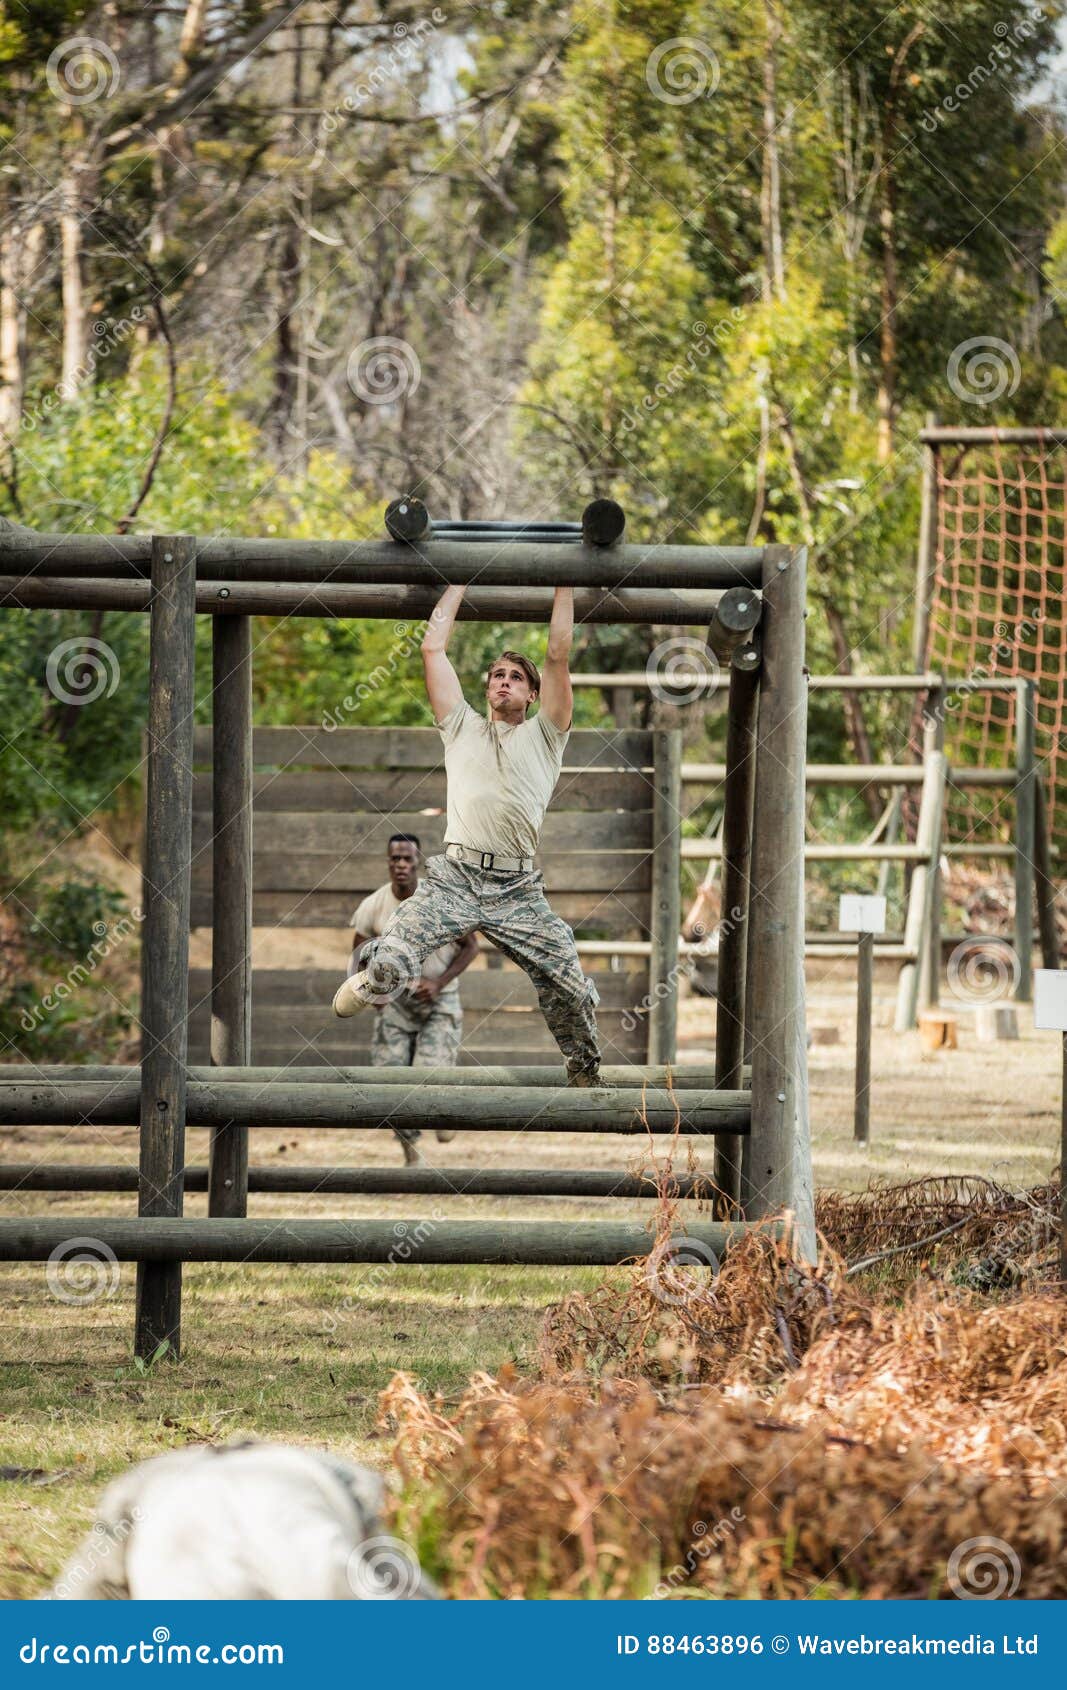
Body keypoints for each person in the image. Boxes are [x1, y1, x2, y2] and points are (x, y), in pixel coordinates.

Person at [334, 585, 603, 1086]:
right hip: (454, 877)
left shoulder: (548, 734)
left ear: (533, 693)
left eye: (516, 678)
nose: (505, 682)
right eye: (498, 675)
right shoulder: (461, 726)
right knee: (393, 957)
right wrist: (457, 580)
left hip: (516, 890)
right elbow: (432, 648)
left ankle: (585, 1069)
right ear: (486, 688)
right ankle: (373, 978)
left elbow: (558, 652)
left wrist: (564, 581)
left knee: (567, 981)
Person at [349, 833, 478, 1165]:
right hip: (396, 1002)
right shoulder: (374, 906)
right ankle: (412, 1154)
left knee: (427, 1078)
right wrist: (371, 992)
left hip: (439, 1000)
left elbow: (471, 946)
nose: (401, 865)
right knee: (390, 1081)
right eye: (395, 859)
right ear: (388, 862)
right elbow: (360, 953)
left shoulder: (437, 901)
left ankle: (444, 1112)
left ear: (419, 862)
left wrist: (438, 982)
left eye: (408, 859)